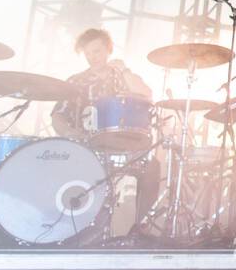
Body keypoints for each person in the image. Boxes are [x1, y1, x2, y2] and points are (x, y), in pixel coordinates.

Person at [53, 28, 159, 228]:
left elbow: (147, 94)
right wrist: (70, 134)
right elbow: (58, 115)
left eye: (97, 51)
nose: (93, 58)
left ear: (109, 50)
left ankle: (134, 230)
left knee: (153, 169)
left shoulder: (121, 75)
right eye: (88, 53)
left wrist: (125, 70)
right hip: (86, 145)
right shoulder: (76, 80)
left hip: (123, 144)